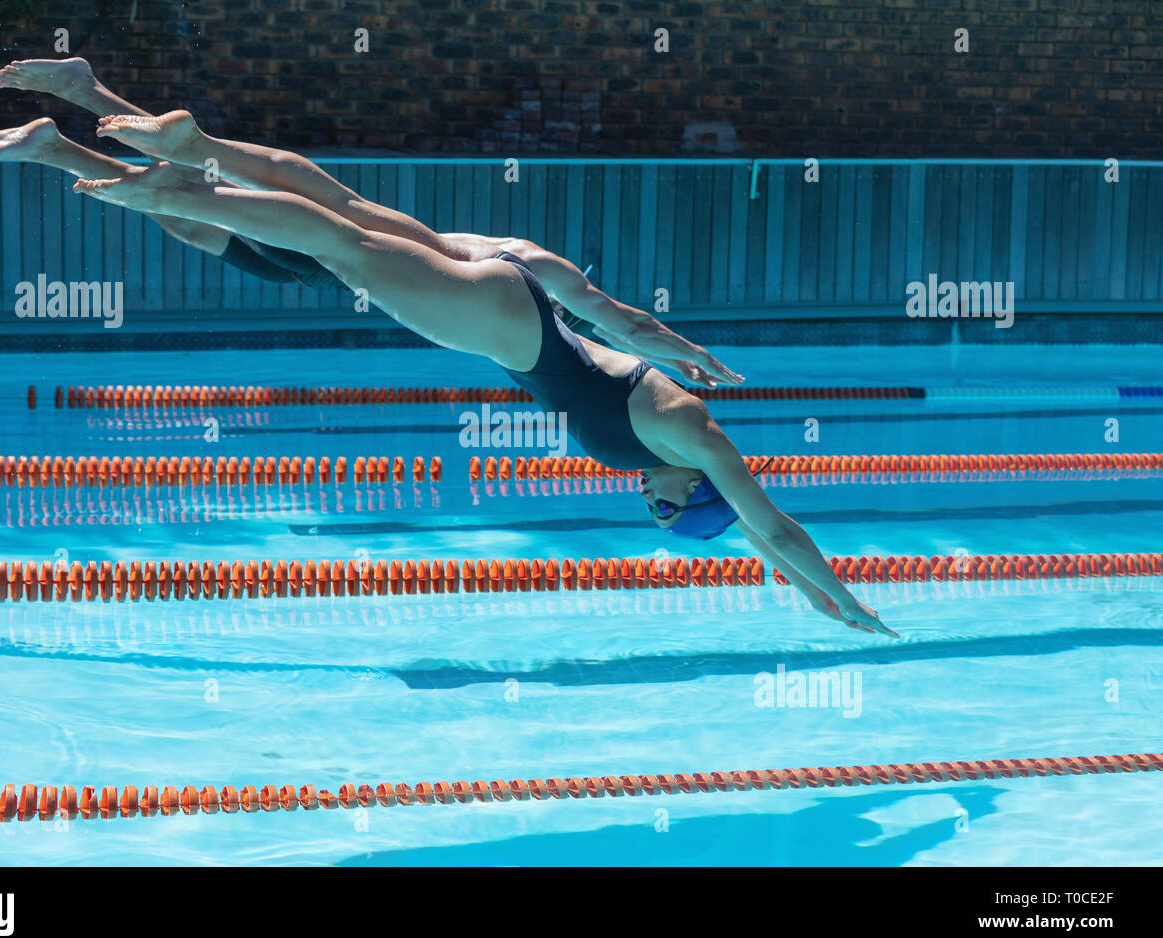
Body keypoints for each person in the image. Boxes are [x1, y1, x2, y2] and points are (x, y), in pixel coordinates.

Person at [48, 105, 897, 637]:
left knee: (345, 218)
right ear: (697, 488)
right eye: (665, 506)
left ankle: (180, 146)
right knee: (344, 247)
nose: (650, 500)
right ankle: (180, 185)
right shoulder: (687, 432)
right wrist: (847, 600)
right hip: (504, 327)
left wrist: (687, 349)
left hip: (516, 294)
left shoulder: (676, 439)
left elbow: (755, 536)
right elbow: (774, 525)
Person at [0, 57, 738, 389]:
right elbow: (626, 321)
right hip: (343, 262)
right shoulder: (533, 283)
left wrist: (683, 348)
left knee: (211, 206)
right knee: (190, 201)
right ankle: (62, 140)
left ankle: (84, 112)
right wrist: (684, 353)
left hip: (362, 247)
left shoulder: (514, 257)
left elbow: (623, 318)